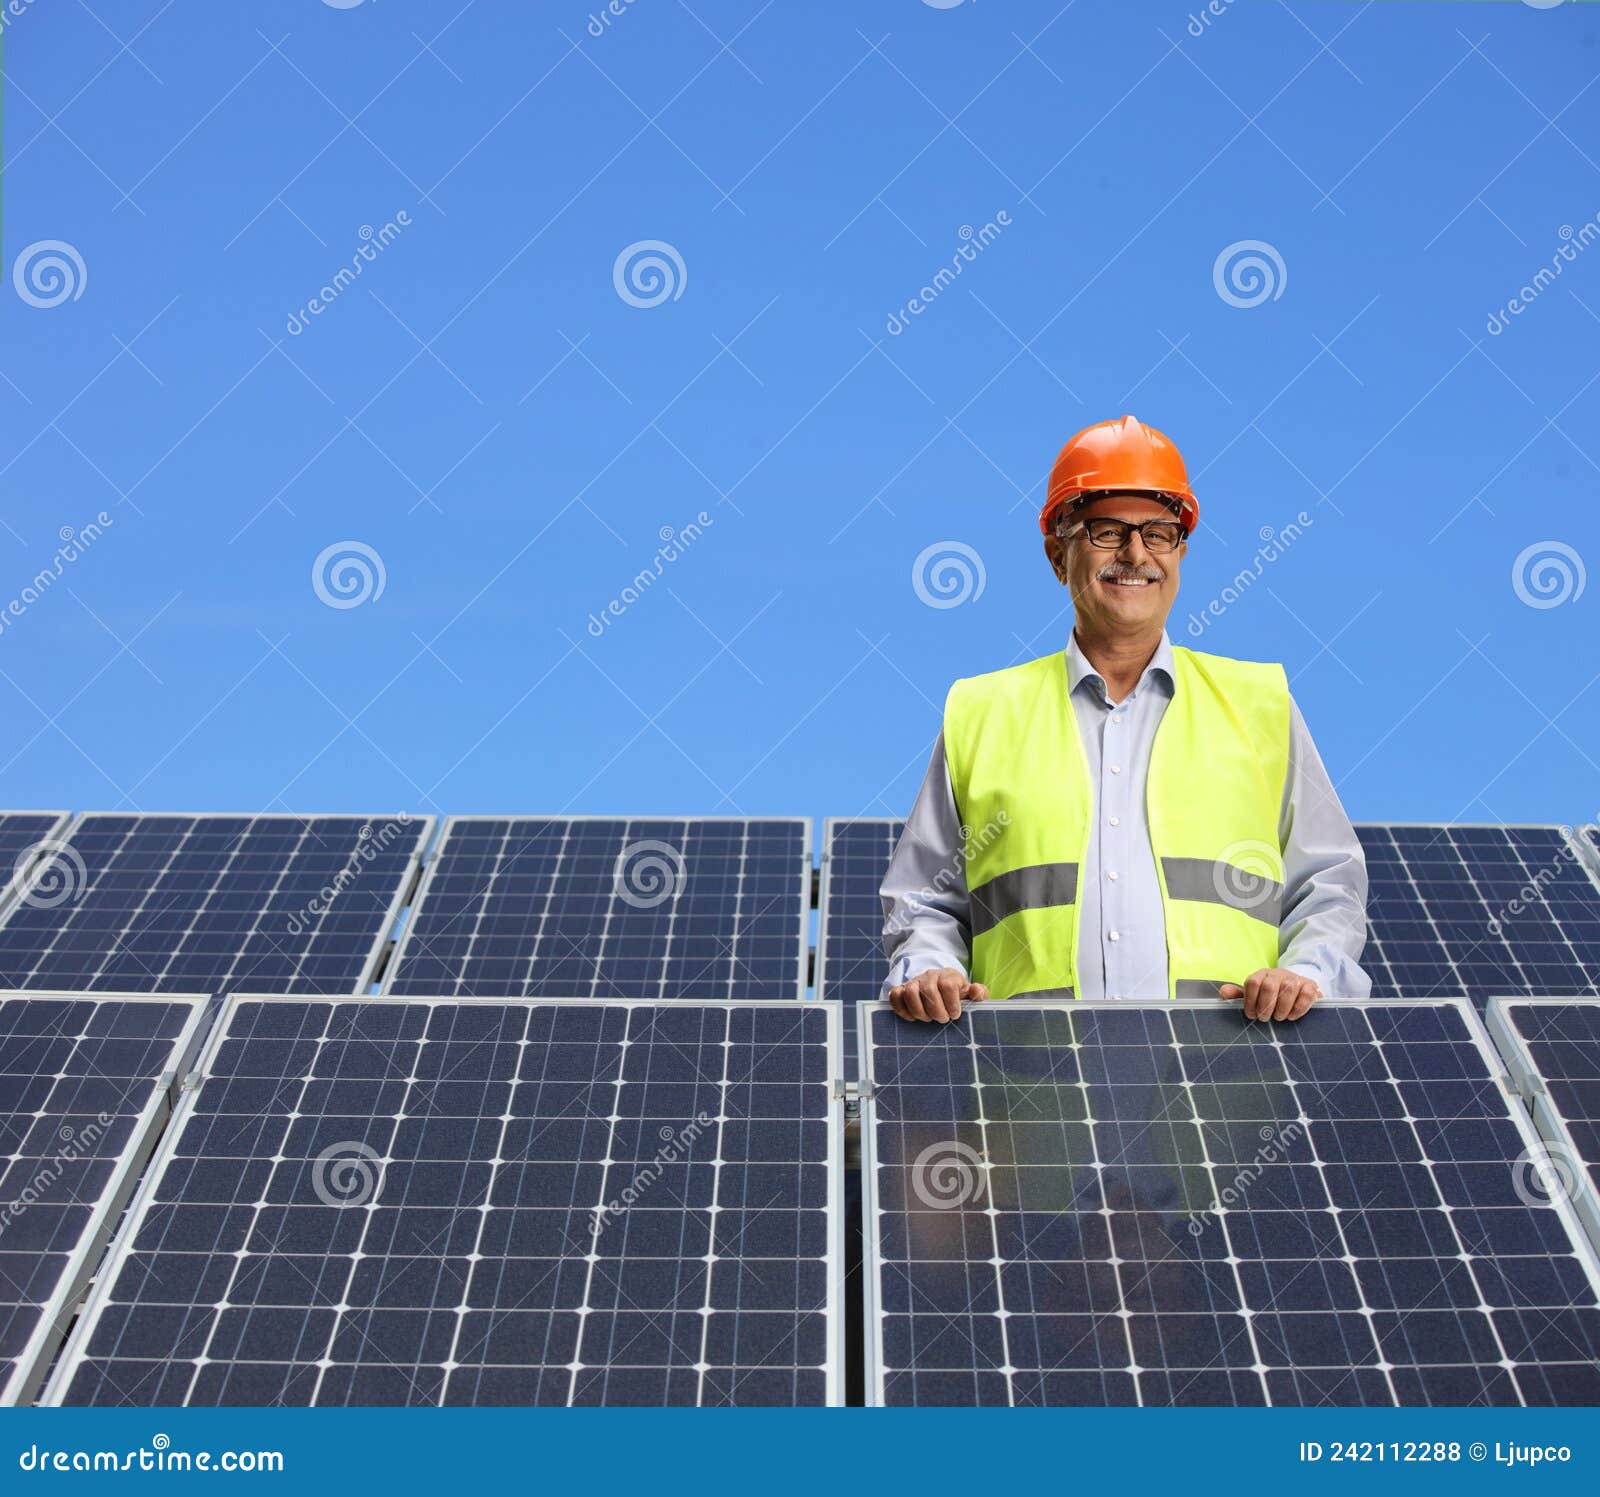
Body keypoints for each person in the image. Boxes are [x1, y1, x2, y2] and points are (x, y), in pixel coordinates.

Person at [882, 414, 1369, 1025]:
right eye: (1107, 532)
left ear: (1180, 552)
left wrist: (1306, 973)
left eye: (1159, 533)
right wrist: (929, 969)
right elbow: (924, 900)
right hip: (1026, 1088)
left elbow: (1329, 882)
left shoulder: (1260, 703)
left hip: (1229, 1088)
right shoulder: (981, 713)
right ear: (1058, 556)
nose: (1136, 554)